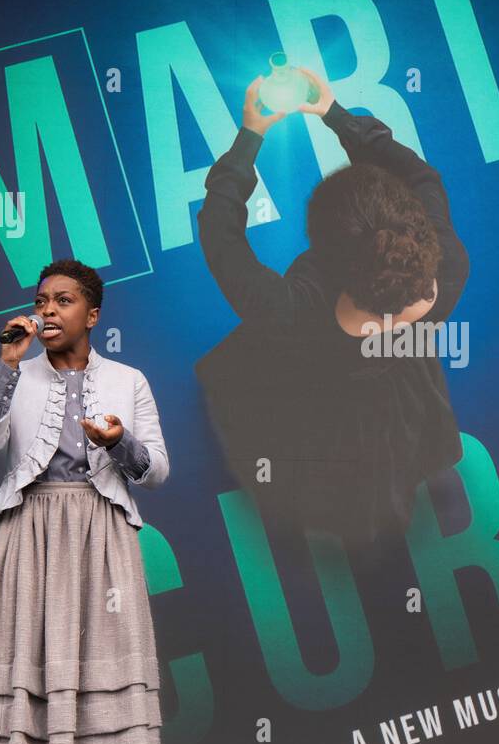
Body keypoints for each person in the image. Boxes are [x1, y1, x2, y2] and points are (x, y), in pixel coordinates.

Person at [194, 68, 470, 549]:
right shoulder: (448, 268)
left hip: (316, 399)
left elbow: (220, 232)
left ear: (327, 255)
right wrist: (336, 114)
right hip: (401, 380)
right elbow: (421, 176)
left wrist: (251, 134)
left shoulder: (287, 313)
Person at [0, 259, 170, 744]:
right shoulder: (17, 373)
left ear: (92, 315)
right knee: (21, 649)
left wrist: (119, 443)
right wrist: (7, 364)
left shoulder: (128, 379)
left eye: (63, 301)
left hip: (102, 533)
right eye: (41, 302)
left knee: (101, 648)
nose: (48, 311)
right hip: (29, 530)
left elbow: (156, 472)